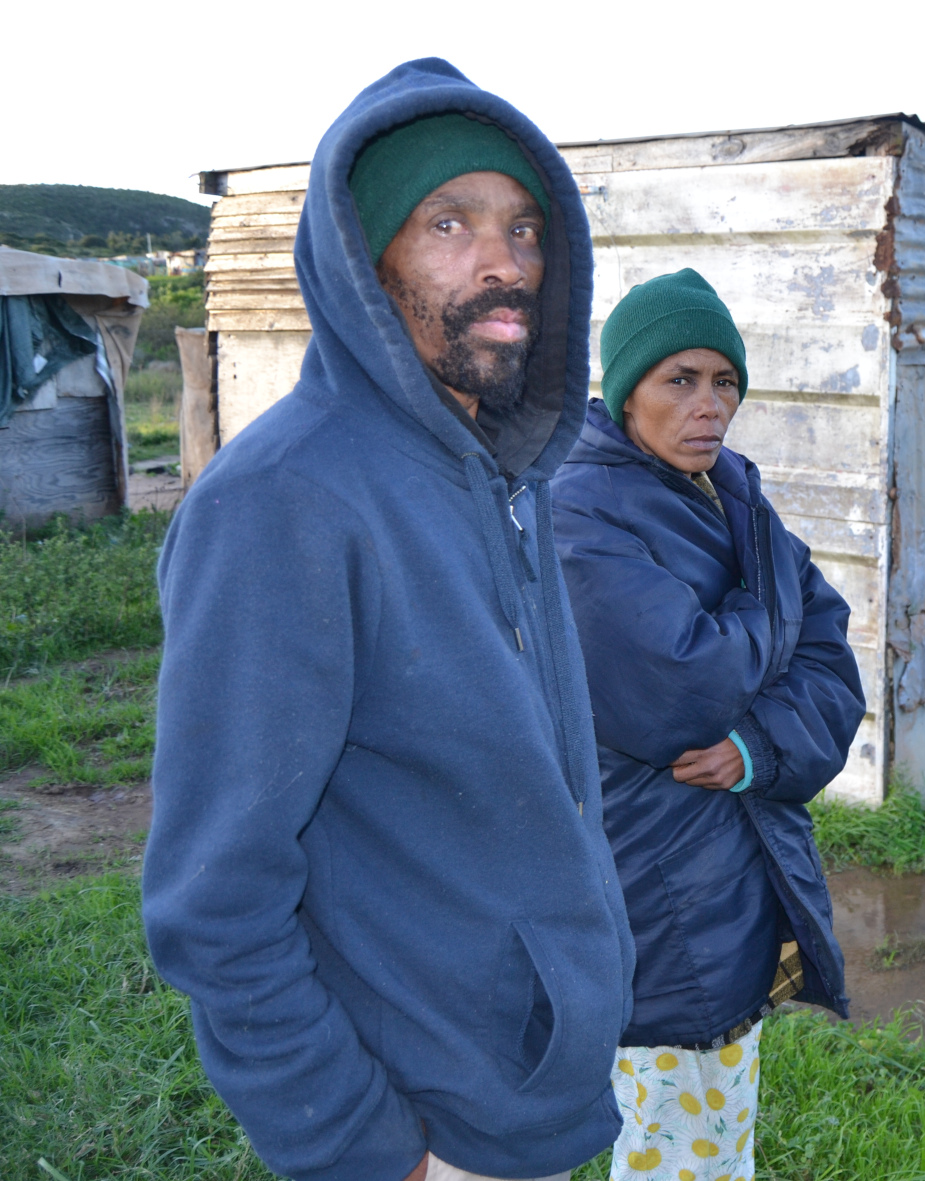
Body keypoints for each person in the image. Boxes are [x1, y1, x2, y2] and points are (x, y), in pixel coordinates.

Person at [142, 59, 633, 1181]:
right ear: (365, 264)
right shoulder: (285, 502)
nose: (502, 262)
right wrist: (369, 1151)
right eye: (447, 222)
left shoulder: (505, 475)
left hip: (519, 1092)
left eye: (522, 227)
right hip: (426, 1130)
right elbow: (215, 901)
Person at [552, 269, 865, 1181]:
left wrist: (757, 745)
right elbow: (686, 686)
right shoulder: (582, 509)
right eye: (679, 379)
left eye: (724, 381)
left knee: (716, 1129)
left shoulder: (726, 488)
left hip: (731, 855)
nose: (710, 405)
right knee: (668, 1132)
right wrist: (771, 603)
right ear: (627, 389)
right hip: (655, 873)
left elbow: (834, 659)